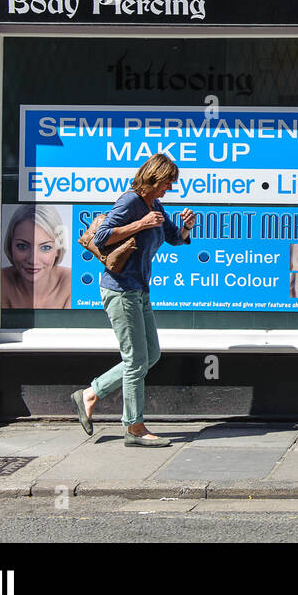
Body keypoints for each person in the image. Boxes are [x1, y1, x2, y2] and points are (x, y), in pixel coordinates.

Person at [71, 153, 195, 447]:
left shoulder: (156, 205)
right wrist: (139, 224)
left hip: (139, 289)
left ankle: (90, 394)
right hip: (120, 290)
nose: (169, 188)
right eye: (167, 182)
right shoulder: (130, 202)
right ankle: (134, 427)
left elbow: (173, 237)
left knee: (150, 355)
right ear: (153, 178)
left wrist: (186, 227)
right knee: (136, 360)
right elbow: (101, 237)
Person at [1, 204, 72, 309]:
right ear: (10, 245)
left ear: (58, 249)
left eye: (45, 248)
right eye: (22, 246)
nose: (33, 260)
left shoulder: (74, 284)